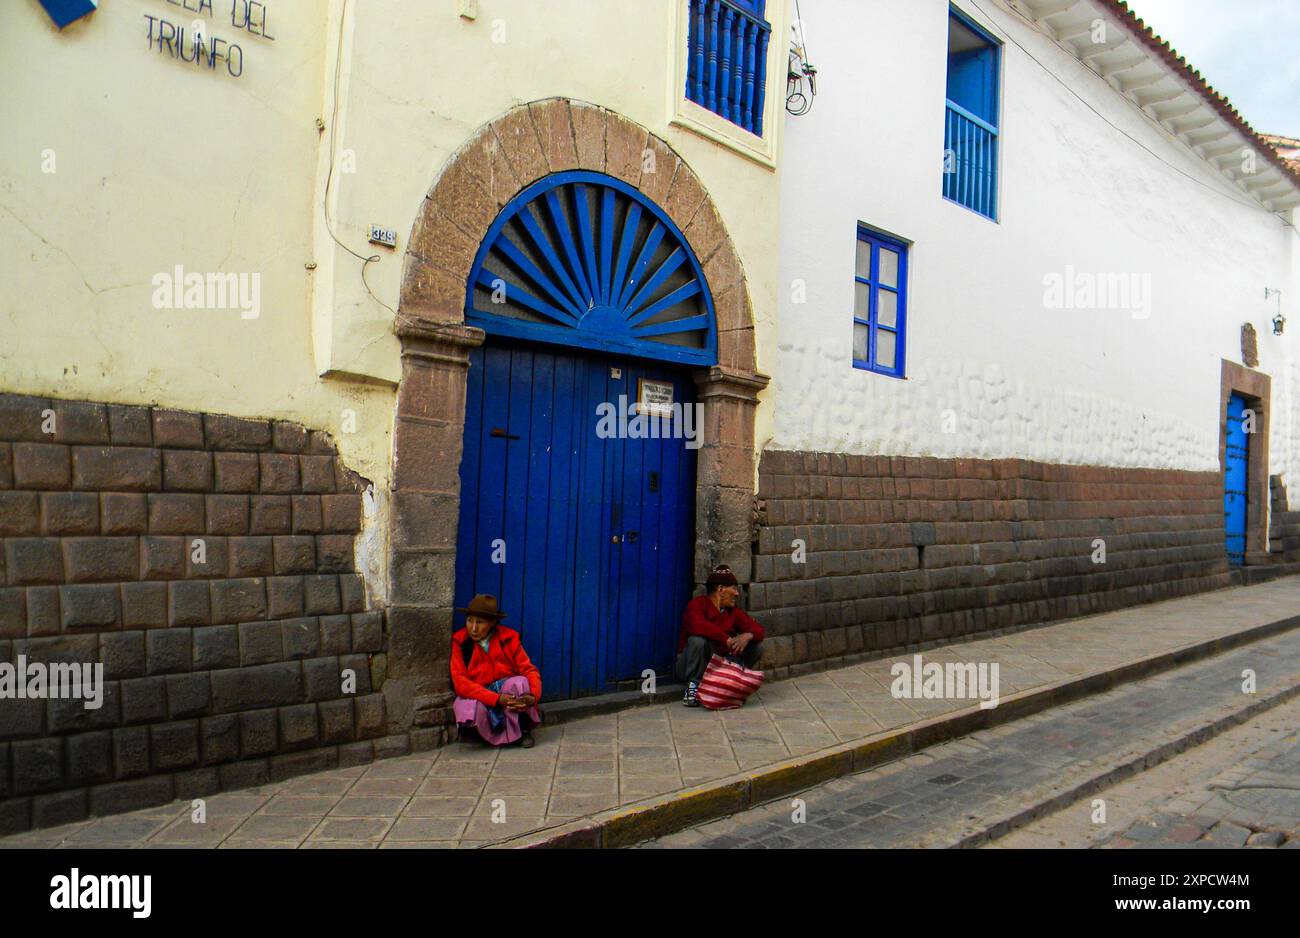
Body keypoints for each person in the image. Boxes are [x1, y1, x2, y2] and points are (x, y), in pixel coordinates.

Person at [450, 594, 543, 747]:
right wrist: (496, 699)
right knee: (464, 706)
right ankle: (488, 733)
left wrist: (532, 697)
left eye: (480, 622)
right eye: (469, 620)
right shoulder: (460, 642)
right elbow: (460, 682)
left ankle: (521, 730)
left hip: (506, 692)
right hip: (478, 692)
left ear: (493, 622)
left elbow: (529, 670)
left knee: (519, 684)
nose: (473, 628)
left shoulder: (509, 638)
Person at [674, 565, 765, 707]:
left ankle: (734, 682)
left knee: (756, 645)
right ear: (721, 589)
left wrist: (748, 635)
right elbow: (699, 625)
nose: (737, 594)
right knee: (697, 640)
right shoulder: (697, 604)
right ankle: (693, 685)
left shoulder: (733, 612)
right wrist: (726, 640)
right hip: (691, 664)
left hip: (720, 665)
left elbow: (759, 630)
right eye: (734, 589)